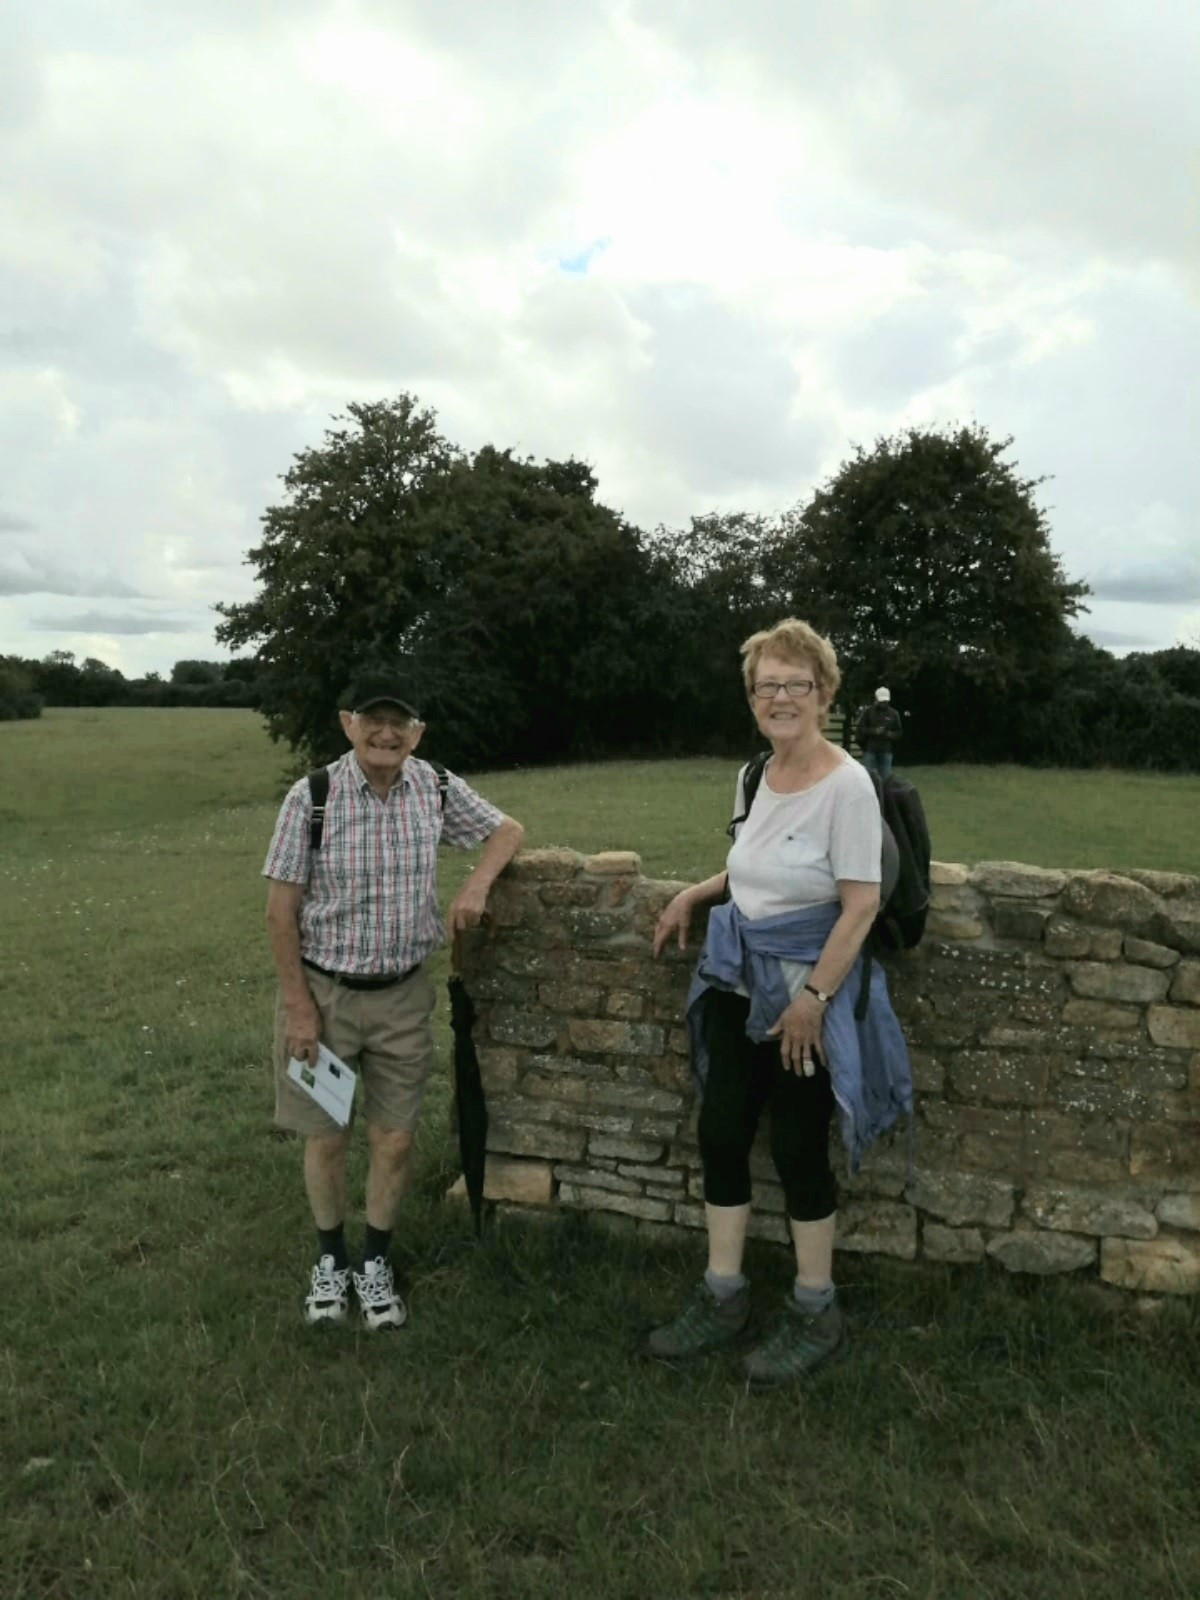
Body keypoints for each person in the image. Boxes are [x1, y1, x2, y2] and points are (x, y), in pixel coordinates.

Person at [648, 620, 912, 1388]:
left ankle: (814, 1306)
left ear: (825, 695)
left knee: (797, 1147)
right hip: (738, 975)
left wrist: (814, 1002)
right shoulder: (755, 774)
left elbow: (858, 906)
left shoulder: (848, 786)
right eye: (767, 686)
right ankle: (723, 1294)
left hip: (809, 987)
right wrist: (695, 893)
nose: (781, 698)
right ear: (753, 698)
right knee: (722, 1130)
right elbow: (752, 869)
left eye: (797, 684)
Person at [263, 671, 524, 1330]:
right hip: (325, 998)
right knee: (326, 1138)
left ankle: (375, 1261)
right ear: (348, 723)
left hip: (404, 999)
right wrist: (299, 1007)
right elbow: (280, 910)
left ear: (417, 732)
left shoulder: (433, 786)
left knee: (396, 1140)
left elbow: (507, 830)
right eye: (373, 720)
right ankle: (331, 1259)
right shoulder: (312, 796)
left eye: (398, 722)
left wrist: (477, 886)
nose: (386, 733)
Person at [855, 687, 902, 783]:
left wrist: (890, 734)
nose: (883, 704)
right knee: (867, 778)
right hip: (870, 750)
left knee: (886, 779)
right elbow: (861, 729)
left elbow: (899, 732)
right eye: (881, 701)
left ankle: (884, 797)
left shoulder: (893, 714)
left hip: (886, 750)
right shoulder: (868, 712)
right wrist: (874, 731)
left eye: (885, 701)